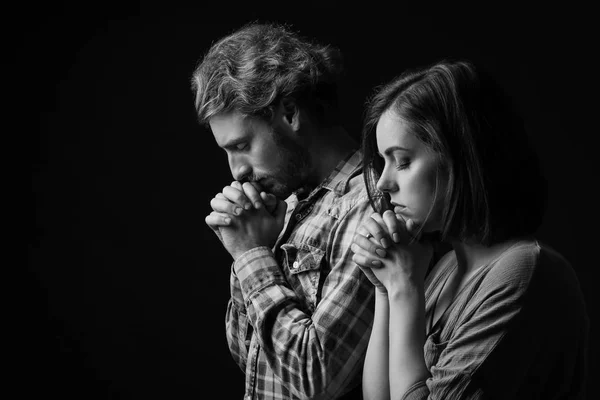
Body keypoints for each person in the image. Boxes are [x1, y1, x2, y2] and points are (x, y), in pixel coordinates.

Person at [350, 59, 589, 399]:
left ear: (461, 158)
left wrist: (404, 288)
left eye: (402, 161)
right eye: (383, 162)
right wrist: (386, 288)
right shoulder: (447, 268)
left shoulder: (521, 271)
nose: (384, 184)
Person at [190, 22, 378, 399]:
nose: (236, 170)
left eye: (242, 145)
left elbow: (315, 380)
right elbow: (250, 357)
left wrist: (250, 253)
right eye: (226, 152)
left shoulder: (367, 207)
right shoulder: (286, 202)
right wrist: (250, 246)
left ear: (290, 113)